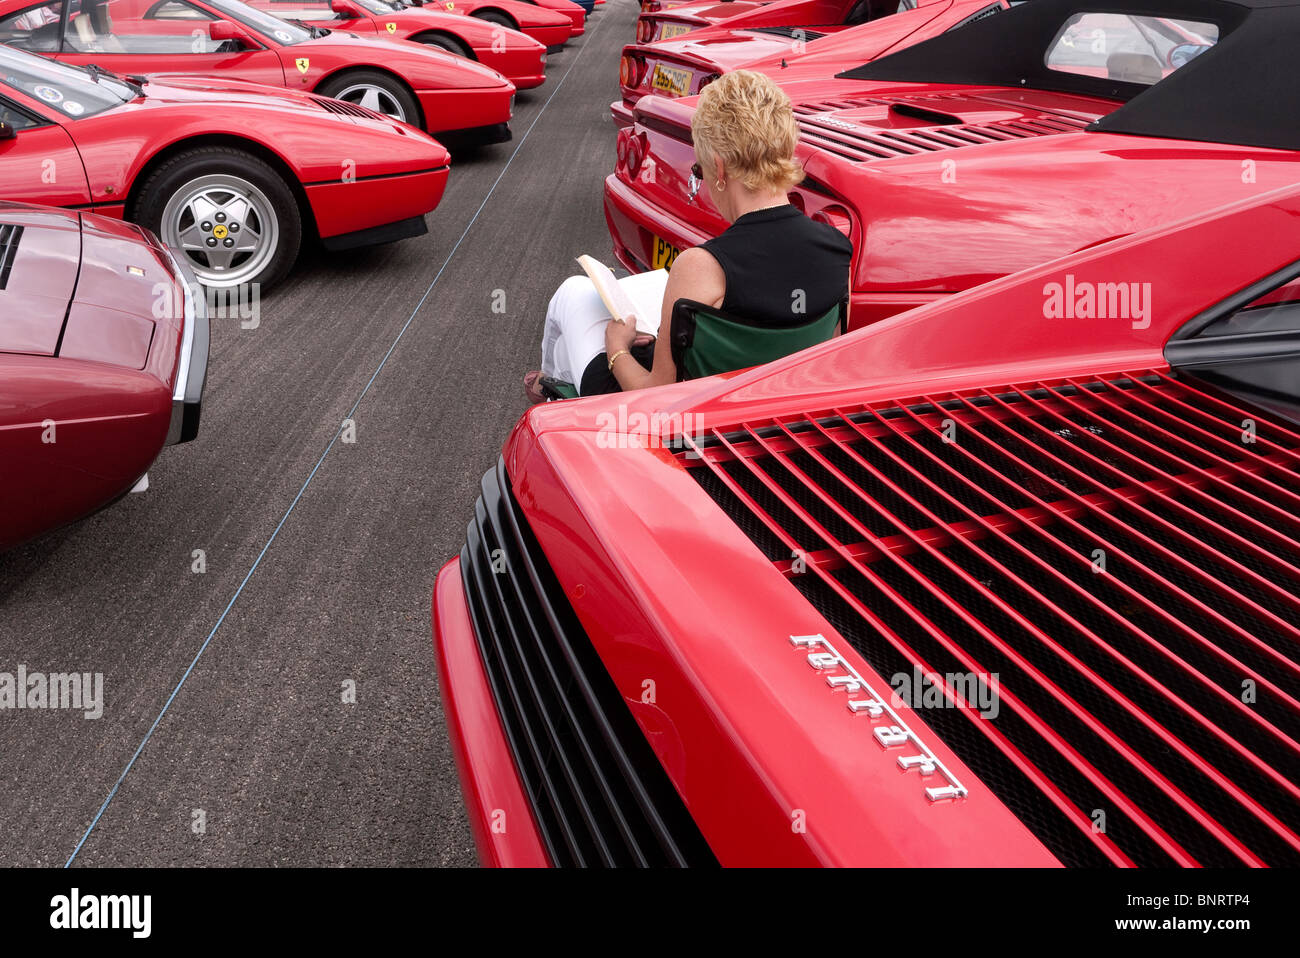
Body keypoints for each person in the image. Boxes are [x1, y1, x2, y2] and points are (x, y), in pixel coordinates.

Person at [526, 69, 852, 402]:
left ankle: (555, 395)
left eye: (700, 169)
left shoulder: (703, 267)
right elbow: (821, 359)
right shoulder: (838, 249)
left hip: (685, 427)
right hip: (773, 415)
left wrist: (616, 349)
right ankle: (554, 387)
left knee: (574, 293)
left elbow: (655, 394)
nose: (704, 182)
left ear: (720, 168)